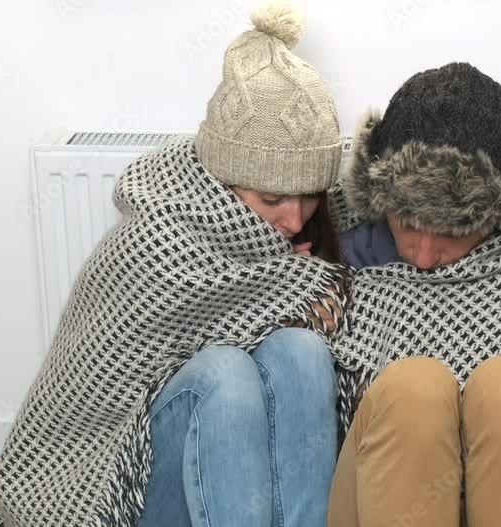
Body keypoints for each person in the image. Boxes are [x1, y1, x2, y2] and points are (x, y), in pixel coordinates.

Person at [327, 62, 501, 526]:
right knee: (413, 390)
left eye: (450, 232)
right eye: (407, 225)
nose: (423, 258)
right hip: (378, 496)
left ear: (495, 219)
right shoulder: (336, 258)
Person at [135, 4, 344, 526]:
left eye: (309, 197)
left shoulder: (309, 244)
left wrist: (298, 296)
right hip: (137, 482)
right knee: (225, 372)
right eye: (273, 198)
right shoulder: (159, 229)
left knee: (301, 349)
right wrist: (275, 295)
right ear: (225, 181)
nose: (294, 218)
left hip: (231, 490)